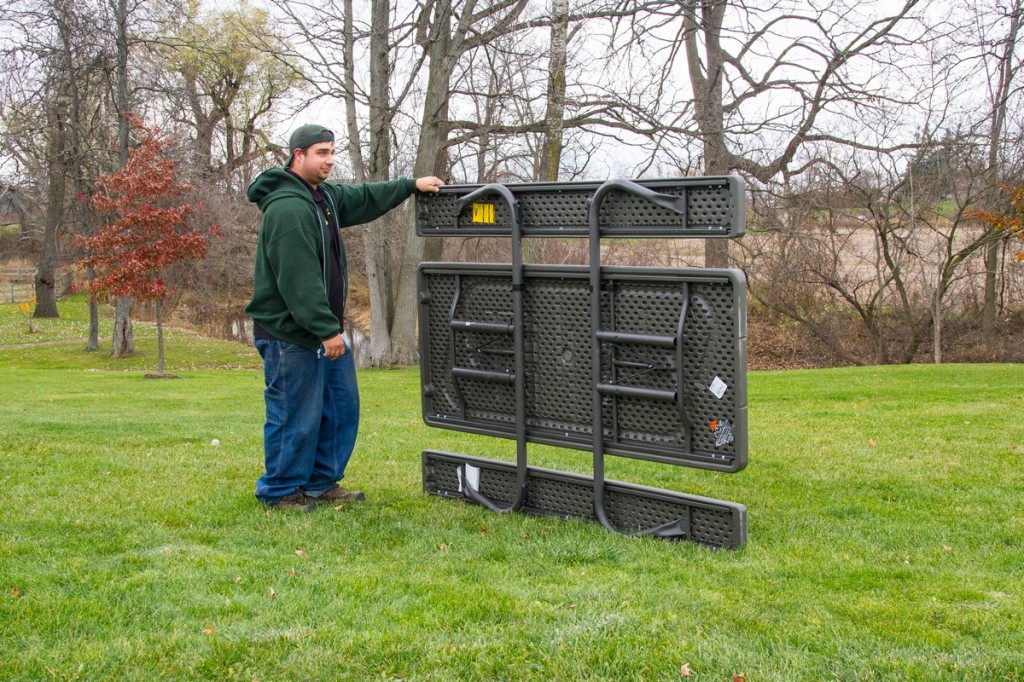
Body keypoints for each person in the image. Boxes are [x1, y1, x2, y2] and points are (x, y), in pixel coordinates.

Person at [245, 123, 444, 511]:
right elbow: (297, 279)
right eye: (321, 152)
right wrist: (326, 330)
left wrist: (410, 185)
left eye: (332, 152)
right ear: (298, 155)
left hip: (320, 332)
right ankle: (280, 490)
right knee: (293, 415)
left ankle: (319, 483)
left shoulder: (322, 198)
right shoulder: (288, 208)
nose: (330, 160)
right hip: (291, 334)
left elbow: (365, 197)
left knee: (340, 408)